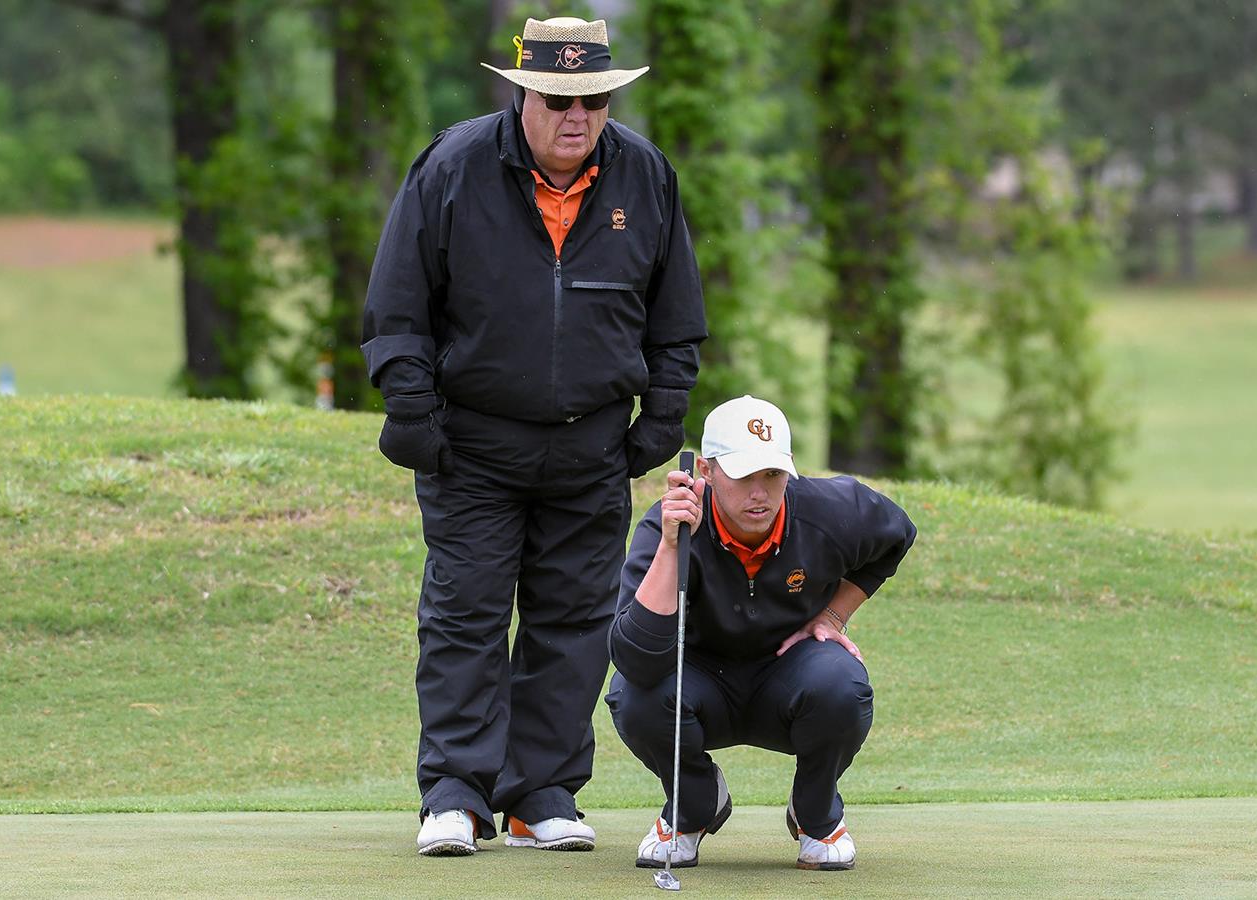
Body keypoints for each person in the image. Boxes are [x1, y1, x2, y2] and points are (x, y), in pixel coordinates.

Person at [361, 15, 707, 857]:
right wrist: (413, 414)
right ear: (521, 93)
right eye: (557, 98)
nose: (576, 116)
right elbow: (398, 307)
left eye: (592, 98)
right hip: (473, 445)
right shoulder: (453, 166)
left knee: (574, 620)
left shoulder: (645, 176)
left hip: (590, 447)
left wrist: (657, 422)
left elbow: (676, 322)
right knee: (465, 615)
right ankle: (454, 793)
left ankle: (539, 794)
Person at [606, 395, 917, 872]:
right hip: (700, 681)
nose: (761, 493)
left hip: (792, 673)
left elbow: (897, 534)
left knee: (843, 683)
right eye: (744, 476)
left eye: (772, 475)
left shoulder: (828, 511)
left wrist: (834, 616)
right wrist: (672, 547)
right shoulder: (666, 526)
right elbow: (636, 661)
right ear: (706, 472)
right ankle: (694, 806)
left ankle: (815, 817)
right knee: (633, 694)